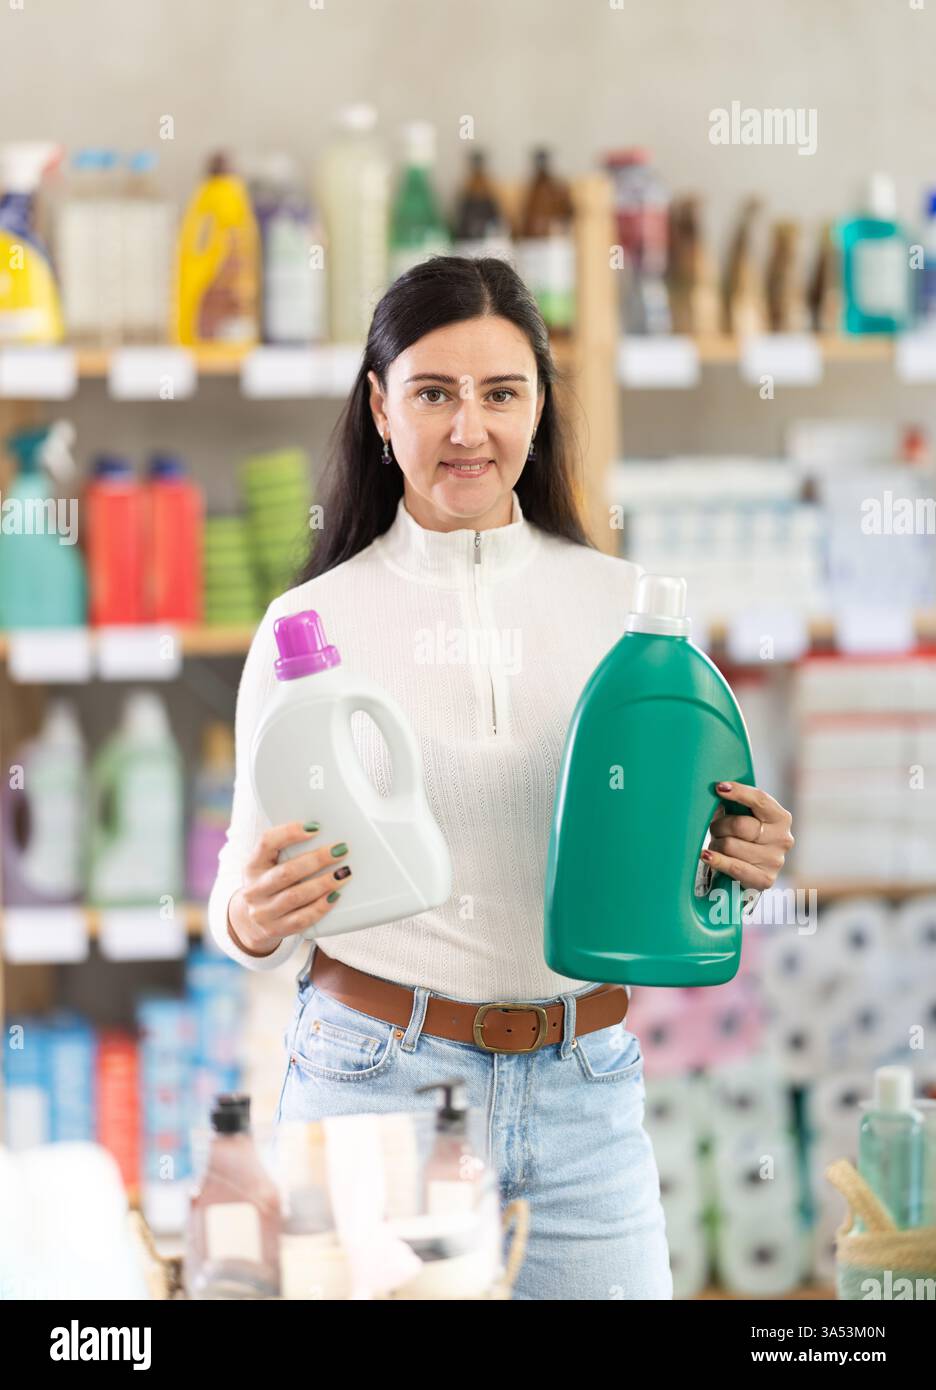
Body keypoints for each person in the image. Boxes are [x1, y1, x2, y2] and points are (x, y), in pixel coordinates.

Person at [207, 255, 795, 1300]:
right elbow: (241, 906)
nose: (468, 428)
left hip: (587, 1091)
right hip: (376, 1087)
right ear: (381, 408)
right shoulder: (311, 627)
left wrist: (737, 859)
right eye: (433, 392)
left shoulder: (629, 613)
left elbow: (675, 859)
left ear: (540, 408)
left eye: (501, 393)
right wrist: (254, 918)